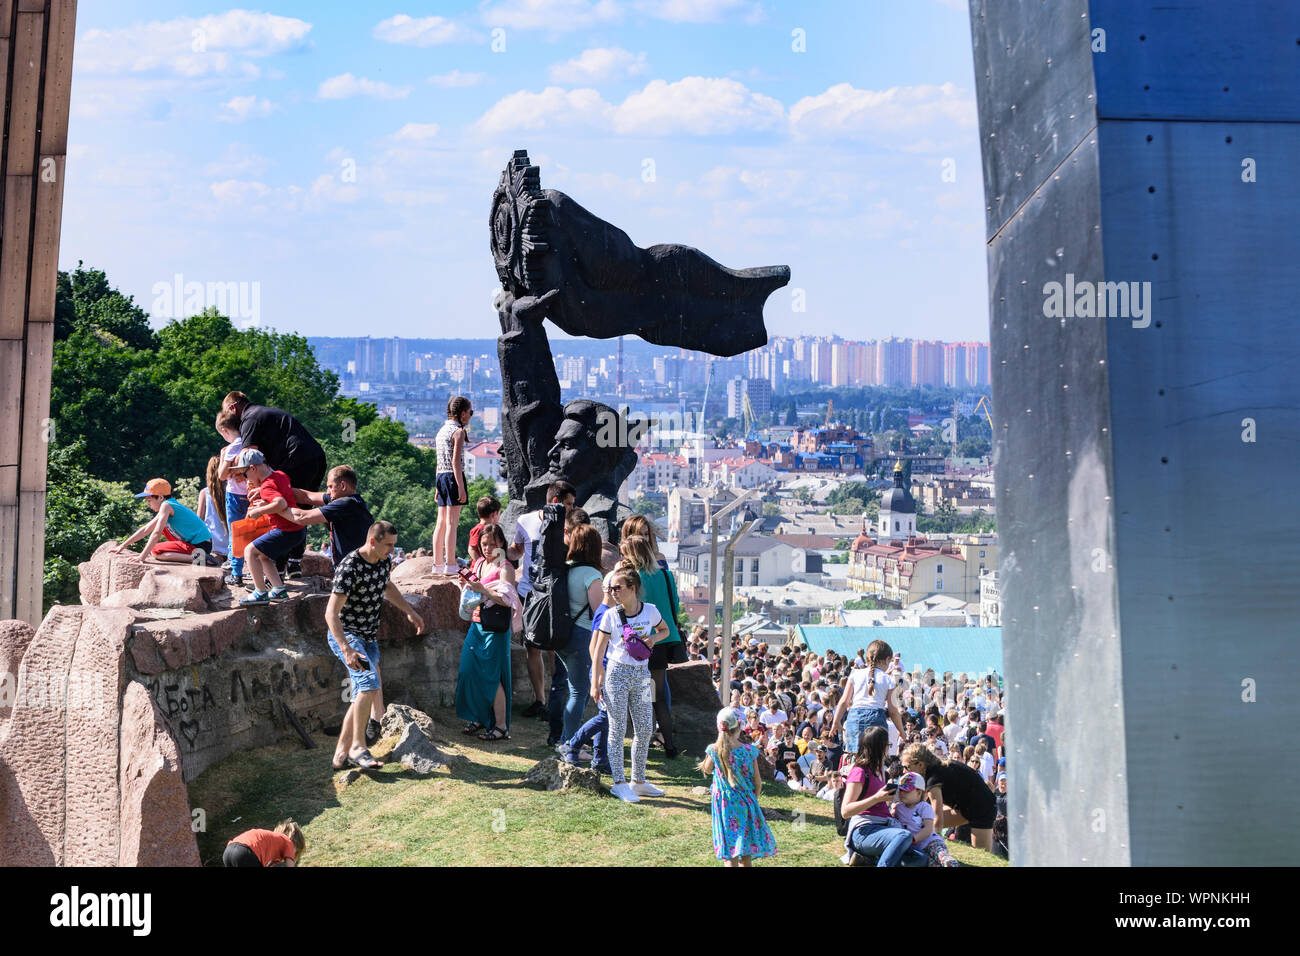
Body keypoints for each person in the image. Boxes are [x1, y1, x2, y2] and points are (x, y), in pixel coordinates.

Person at [288, 465, 379, 742]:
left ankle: (369, 724)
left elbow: (302, 517)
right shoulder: (346, 500)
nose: (327, 491)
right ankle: (372, 721)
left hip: (355, 582)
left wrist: (272, 506)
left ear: (342, 486)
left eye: (330, 486)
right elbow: (307, 496)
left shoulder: (346, 505)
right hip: (357, 579)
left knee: (357, 651)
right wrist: (276, 486)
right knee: (365, 655)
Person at [326, 521, 424, 770]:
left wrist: (409, 611)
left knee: (362, 692)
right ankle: (358, 747)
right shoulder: (350, 566)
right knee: (369, 685)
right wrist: (346, 648)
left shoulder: (381, 563)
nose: (393, 550)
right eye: (388, 545)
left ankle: (340, 753)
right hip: (348, 636)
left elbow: (386, 586)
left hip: (369, 638)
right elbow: (330, 614)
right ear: (373, 541)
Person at [222, 391, 327, 579]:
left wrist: (231, 467)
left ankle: (278, 568)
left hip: (295, 460)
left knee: (282, 508)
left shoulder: (249, 419)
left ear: (233, 407)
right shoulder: (263, 413)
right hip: (315, 458)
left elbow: (248, 457)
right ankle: (294, 562)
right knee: (301, 506)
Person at [590, 565, 668, 803]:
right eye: (610, 588)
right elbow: (599, 650)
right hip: (617, 675)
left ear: (632, 588)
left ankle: (639, 780)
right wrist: (596, 682)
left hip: (642, 675)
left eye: (617, 588)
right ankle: (619, 782)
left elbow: (665, 630)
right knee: (617, 729)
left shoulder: (651, 611)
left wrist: (653, 638)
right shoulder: (611, 615)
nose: (613, 592)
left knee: (645, 726)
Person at [509, 479, 576, 719]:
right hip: (530, 591)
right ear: (556, 501)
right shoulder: (526, 521)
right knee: (533, 646)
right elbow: (517, 549)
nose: (571, 509)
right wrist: (496, 553)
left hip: (557, 592)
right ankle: (540, 699)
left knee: (555, 648)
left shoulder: (570, 525)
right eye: (568, 504)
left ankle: (557, 699)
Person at [617, 533, 685, 758]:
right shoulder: (666, 575)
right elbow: (675, 605)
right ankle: (670, 745)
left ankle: (640, 743)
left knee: (638, 695)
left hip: (640, 641)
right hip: (664, 639)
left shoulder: (632, 578)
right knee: (658, 696)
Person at [456, 523, 519, 741]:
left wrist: (483, 590)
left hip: (495, 628)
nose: (488, 547)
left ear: (501, 543)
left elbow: (507, 600)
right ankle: (479, 716)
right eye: (484, 543)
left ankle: (501, 726)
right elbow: (474, 590)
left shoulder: (506, 568)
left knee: (492, 677)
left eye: (493, 543)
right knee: (468, 671)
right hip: (476, 623)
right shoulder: (480, 563)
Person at [699, 707, 777, 867]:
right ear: (740, 726)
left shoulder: (715, 750)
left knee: (730, 850)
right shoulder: (750, 751)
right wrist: (754, 799)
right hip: (746, 802)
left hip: (724, 804)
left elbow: (706, 769)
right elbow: (757, 781)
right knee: (745, 850)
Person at [228, 449, 306, 606]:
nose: (245, 479)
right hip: (297, 531)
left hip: (285, 530)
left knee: (249, 551)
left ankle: (260, 593)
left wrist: (258, 511)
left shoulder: (266, 486)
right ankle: (278, 590)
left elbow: (281, 503)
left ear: (253, 468)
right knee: (263, 556)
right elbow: (282, 493)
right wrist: (263, 494)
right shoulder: (280, 475)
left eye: (244, 474)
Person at [901, 742, 998, 852]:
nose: (904, 771)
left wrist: (933, 845)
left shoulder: (933, 778)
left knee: (982, 856)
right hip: (966, 806)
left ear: (920, 765)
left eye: (907, 767)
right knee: (925, 820)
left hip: (983, 807)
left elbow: (938, 818)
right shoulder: (933, 770)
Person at [554, 524, 603, 743]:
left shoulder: (563, 568)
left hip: (561, 635)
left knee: (573, 689)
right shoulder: (591, 574)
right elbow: (599, 612)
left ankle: (566, 739)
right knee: (579, 692)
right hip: (581, 634)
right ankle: (569, 743)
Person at [111, 478, 215, 564]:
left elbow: (156, 533)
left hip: (201, 545)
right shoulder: (169, 504)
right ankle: (200, 557)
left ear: (160, 497)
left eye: (149, 500)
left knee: (156, 551)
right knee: (159, 539)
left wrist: (142, 557)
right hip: (202, 543)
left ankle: (200, 558)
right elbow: (146, 529)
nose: (148, 504)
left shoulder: (166, 505)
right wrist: (122, 545)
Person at [831, 638, 904, 755]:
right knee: (875, 759)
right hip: (877, 718)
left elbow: (844, 701)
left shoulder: (855, 673)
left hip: (854, 717)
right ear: (887, 660)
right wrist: (902, 732)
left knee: (855, 758)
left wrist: (836, 722)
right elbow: (893, 710)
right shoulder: (888, 679)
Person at [432, 396, 471, 574]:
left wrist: (436, 488)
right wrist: (461, 486)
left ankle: (437, 564)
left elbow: (438, 461)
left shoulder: (441, 431)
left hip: (441, 476)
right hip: (453, 476)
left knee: (441, 522)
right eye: (470, 412)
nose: (470, 416)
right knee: (452, 524)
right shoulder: (459, 432)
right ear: (462, 413)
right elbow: (456, 463)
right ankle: (450, 564)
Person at [889, 772, 959, 867]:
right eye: (900, 790)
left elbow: (928, 828)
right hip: (917, 848)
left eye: (906, 790)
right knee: (931, 864)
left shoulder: (924, 807)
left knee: (941, 856)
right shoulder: (898, 808)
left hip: (931, 841)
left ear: (919, 793)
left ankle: (950, 863)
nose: (902, 793)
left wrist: (913, 839)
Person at [216, 413, 249, 586]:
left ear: (224, 430)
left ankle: (236, 571)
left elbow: (222, 475)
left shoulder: (232, 447)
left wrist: (223, 458)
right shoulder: (249, 441)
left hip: (235, 495)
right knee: (253, 531)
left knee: (236, 532)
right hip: (252, 494)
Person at [223, 820, 305, 867]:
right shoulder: (288, 841)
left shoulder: (271, 845)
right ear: (294, 842)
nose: (293, 855)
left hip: (228, 852)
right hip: (246, 853)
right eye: (296, 851)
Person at [195, 456, 229, 563]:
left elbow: (199, 519)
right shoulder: (231, 489)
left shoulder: (205, 492)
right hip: (230, 544)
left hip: (211, 543)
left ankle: (213, 558)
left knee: (197, 559)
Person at [468, 495, 501, 564]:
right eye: (499, 514)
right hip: (480, 570)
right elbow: (471, 549)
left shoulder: (492, 529)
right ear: (494, 514)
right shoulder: (479, 529)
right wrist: (481, 564)